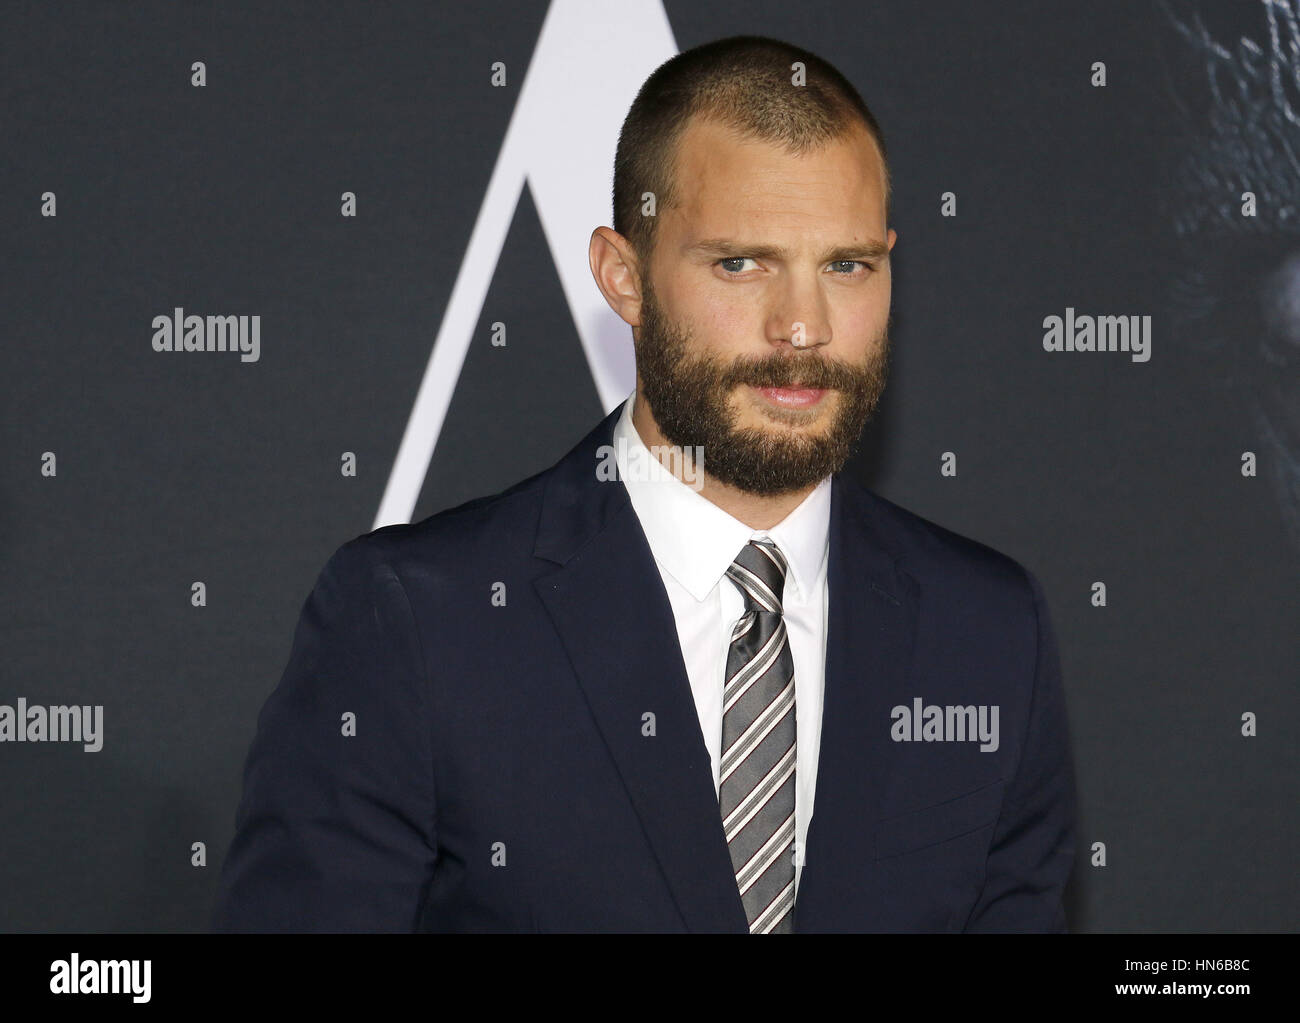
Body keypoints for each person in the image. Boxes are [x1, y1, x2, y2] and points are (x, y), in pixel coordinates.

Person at [211, 34, 1076, 933]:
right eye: (742, 263)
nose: (802, 327)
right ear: (624, 278)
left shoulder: (987, 630)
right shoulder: (417, 623)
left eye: (847, 265)